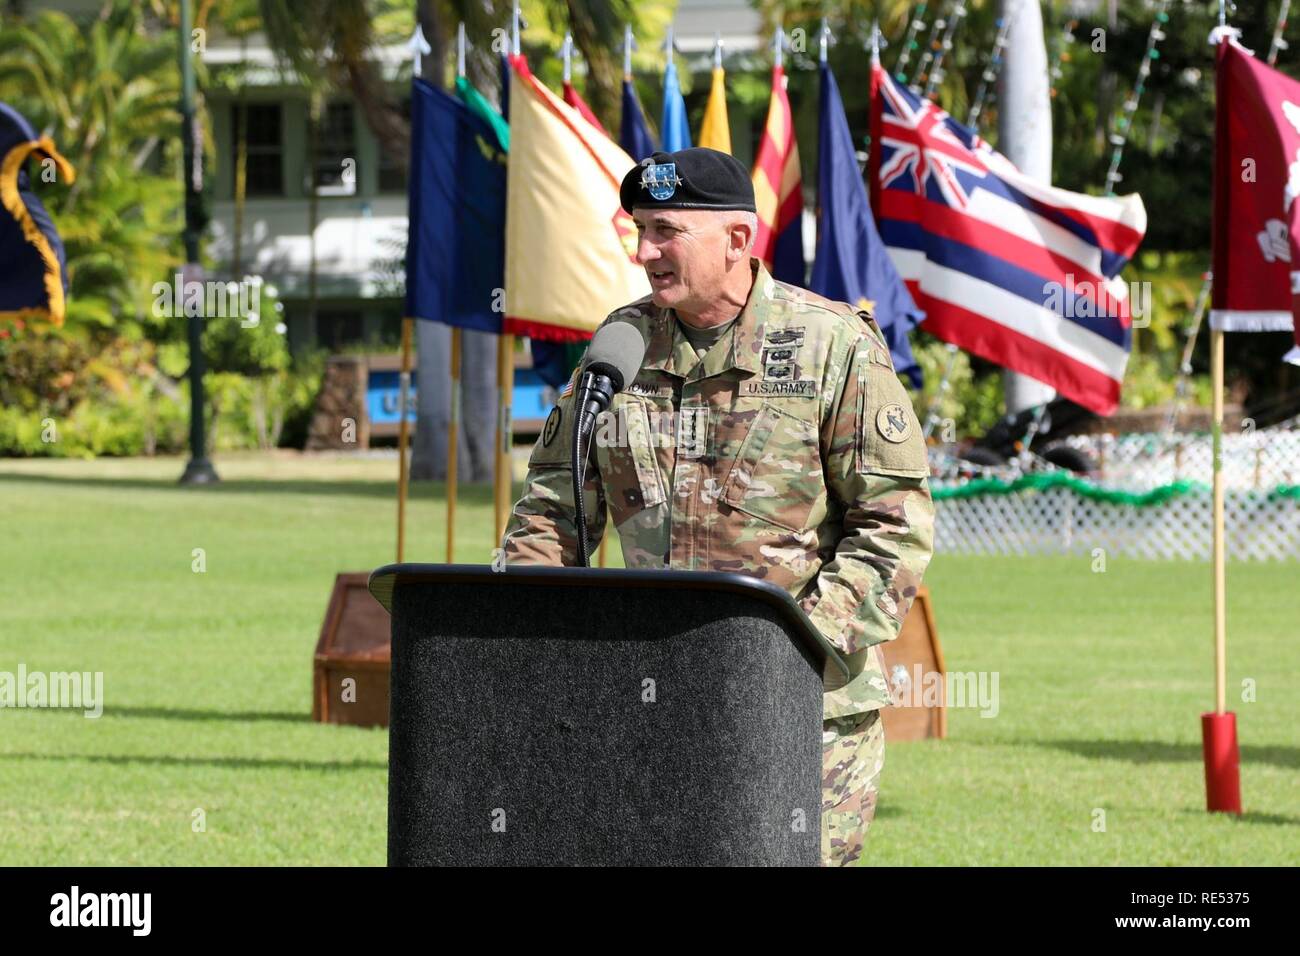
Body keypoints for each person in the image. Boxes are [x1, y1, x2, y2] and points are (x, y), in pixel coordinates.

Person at [500, 147, 935, 866]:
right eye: (640, 229)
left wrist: (788, 648)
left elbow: (893, 526)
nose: (646, 251)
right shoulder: (620, 348)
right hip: (649, 705)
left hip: (804, 712)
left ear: (738, 239)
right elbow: (553, 508)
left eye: (667, 230)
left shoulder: (833, 348)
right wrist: (524, 640)